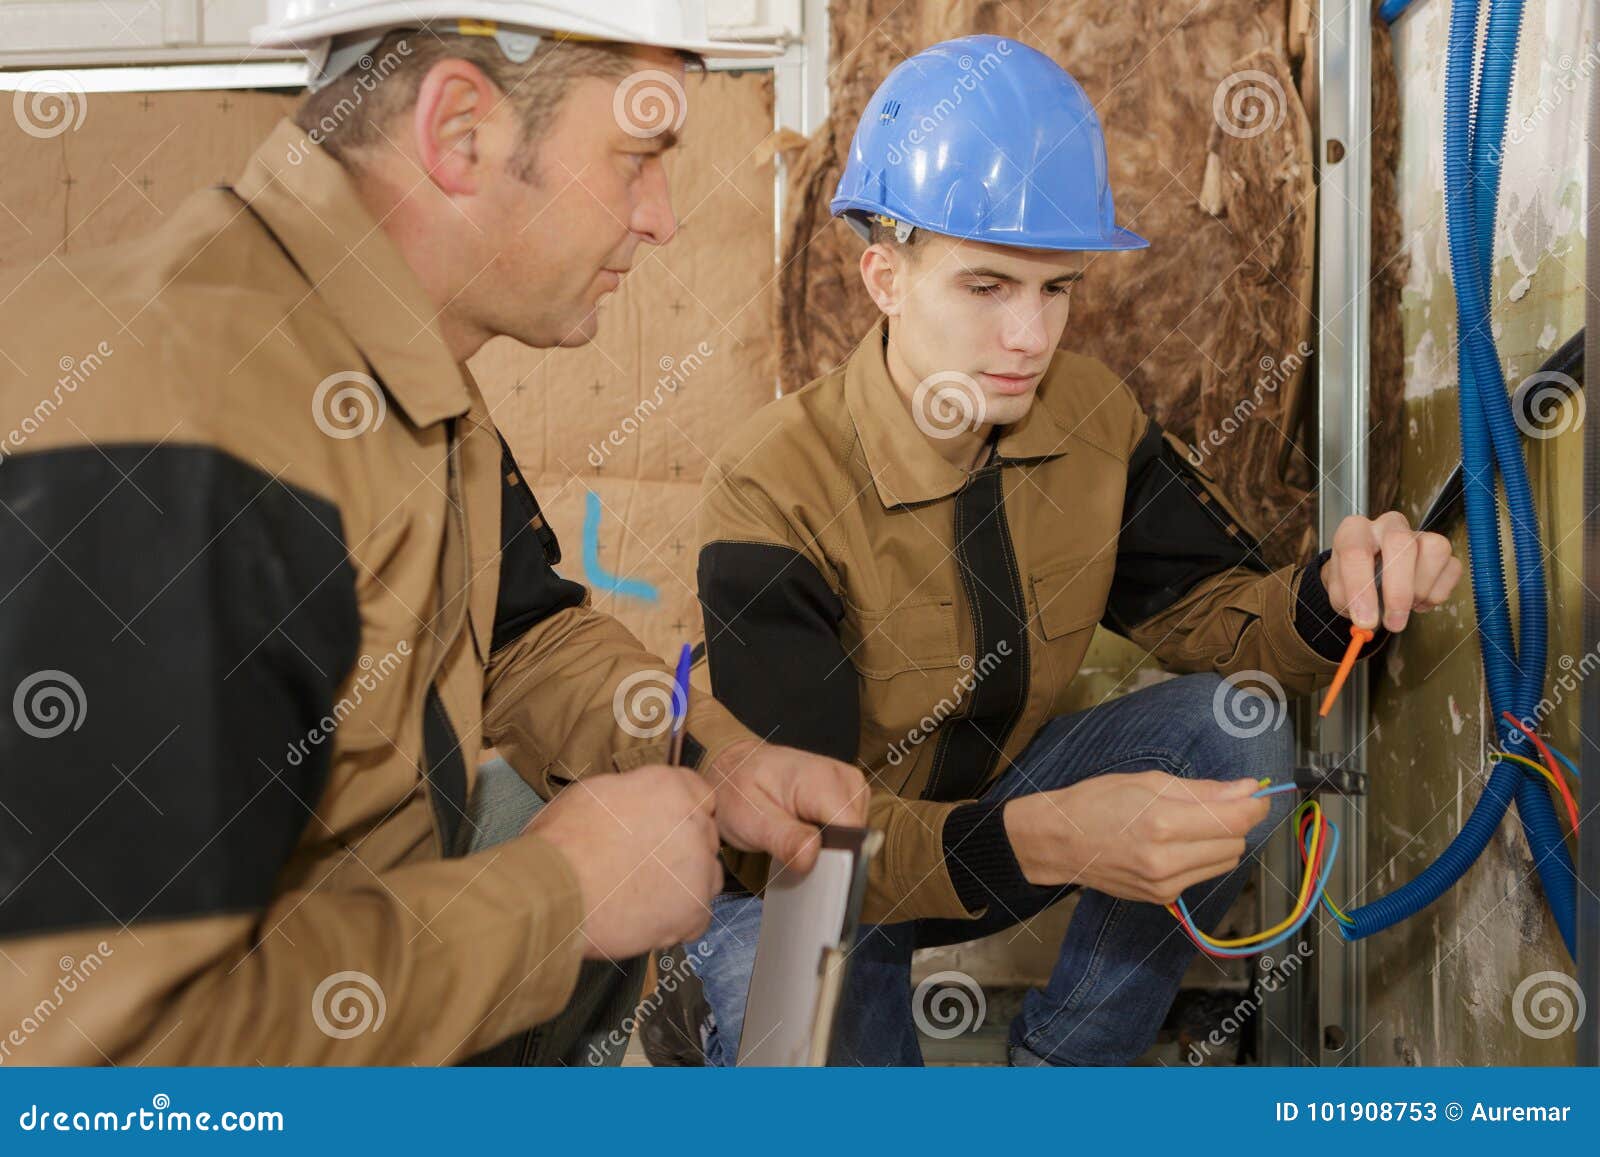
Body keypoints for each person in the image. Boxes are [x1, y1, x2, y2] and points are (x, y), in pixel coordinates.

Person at [0, 2, 866, 1066]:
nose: (662, 217)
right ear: (460, 131)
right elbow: (94, 1066)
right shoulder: (190, 420)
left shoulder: (389, 367)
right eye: (639, 156)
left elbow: (517, 635)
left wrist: (708, 758)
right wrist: (560, 899)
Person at [689, 35, 1462, 1066]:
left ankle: (1059, 1076)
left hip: (993, 824)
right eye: (985, 286)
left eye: (1055, 288)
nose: (1029, 336)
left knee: (1232, 733)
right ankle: (705, 1012)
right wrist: (1052, 835)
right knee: (803, 1054)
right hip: (801, 879)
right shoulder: (771, 484)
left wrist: (1334, 593)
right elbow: (803, 840)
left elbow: (1205, 610)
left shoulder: (1092, 416)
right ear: (883, 276)